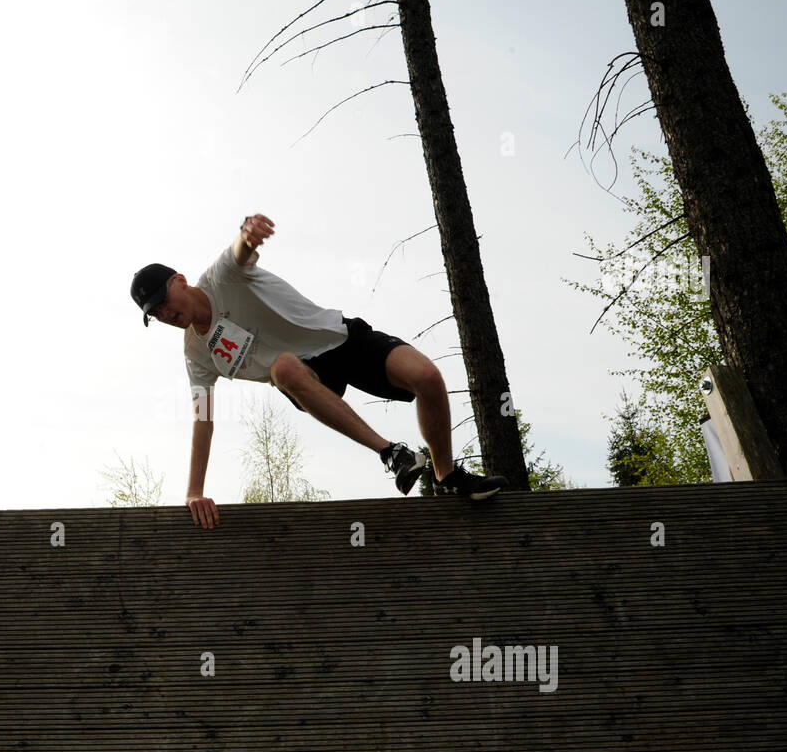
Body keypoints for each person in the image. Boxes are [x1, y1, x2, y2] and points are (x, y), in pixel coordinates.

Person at [130, 213, 507, 529]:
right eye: (156, 314)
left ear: (180, 280)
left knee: (427, 378)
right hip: (302, 376)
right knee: (282, 366)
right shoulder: (197, 354)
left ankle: (447, 476)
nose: (165, 314)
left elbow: (239, 251)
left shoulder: (221, 277)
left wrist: (247, 235)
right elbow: (204, 419)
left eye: (163, 301)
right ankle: (392, 453)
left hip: (339, 338)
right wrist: (194, 491)